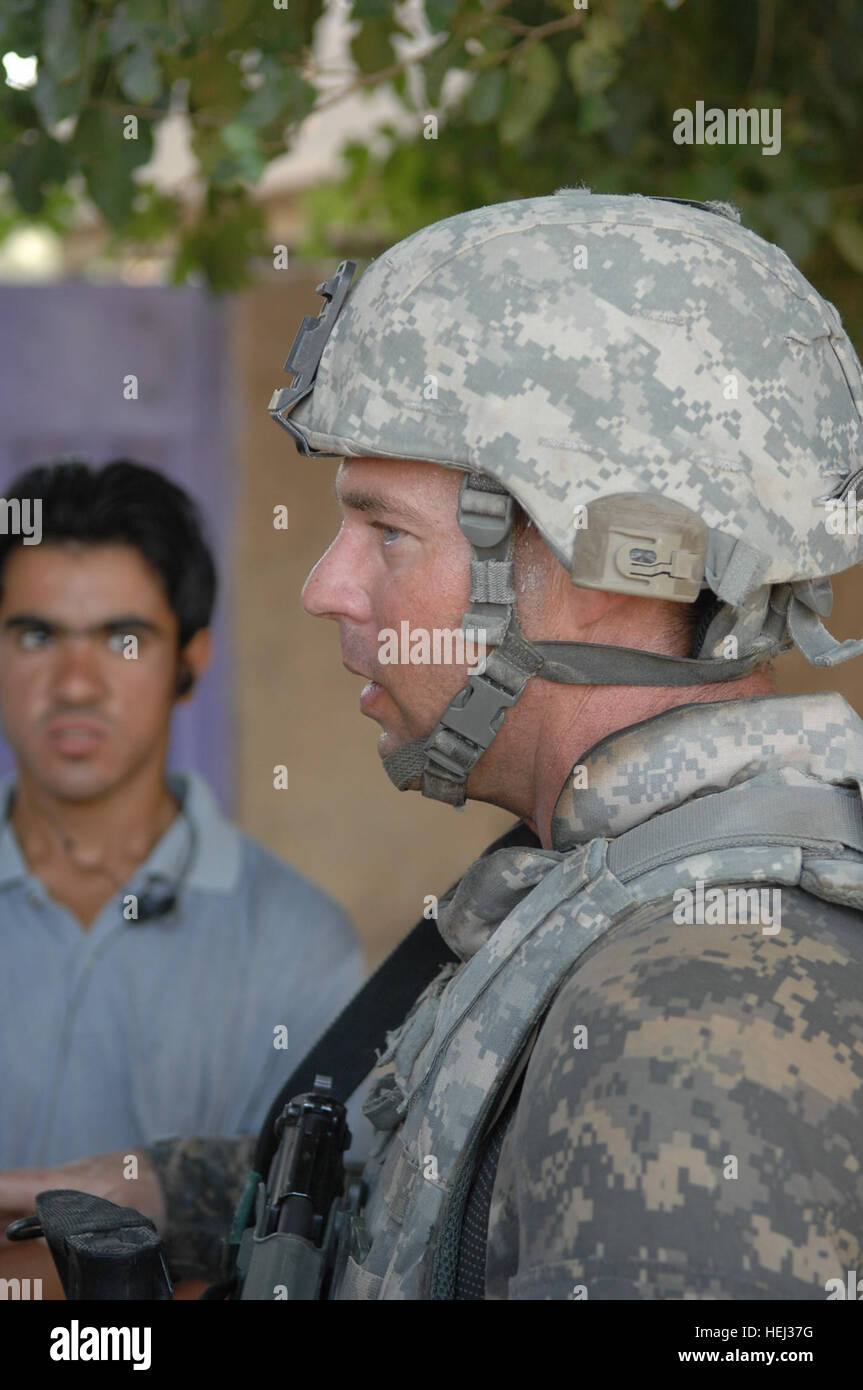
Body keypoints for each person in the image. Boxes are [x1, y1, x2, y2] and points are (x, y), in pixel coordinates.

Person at [6, 191, 863, 1299]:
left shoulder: (699, 1017)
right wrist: (167, 1197)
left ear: (602, 567)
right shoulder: (605, 884)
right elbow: (440, 1191)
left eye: (384, 531)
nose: (325, 586)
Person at [0, 459, 363, 1187]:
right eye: (37, 636)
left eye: (122, 639)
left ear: (190, 660)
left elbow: (292, 1236)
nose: (75, 684)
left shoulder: (296, 943)